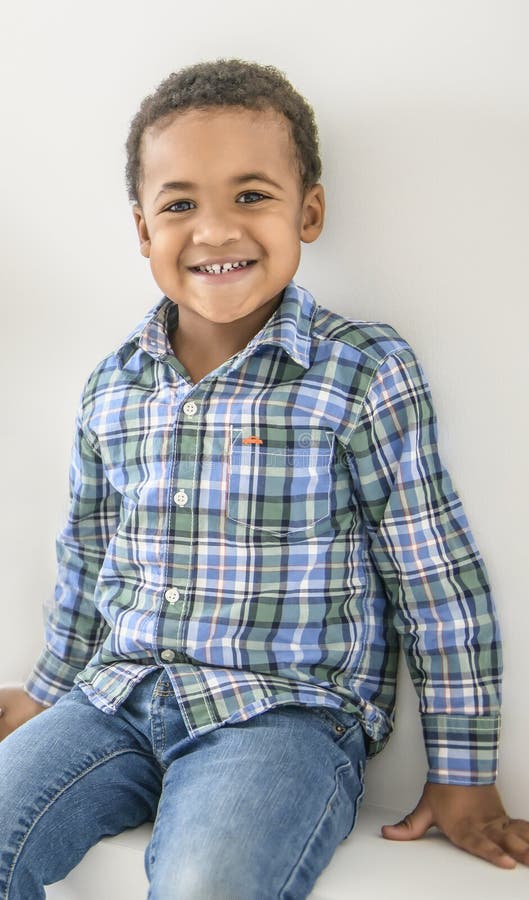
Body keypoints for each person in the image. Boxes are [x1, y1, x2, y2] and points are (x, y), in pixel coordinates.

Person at [0, 58, 527, 900]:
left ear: (307, 211)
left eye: (250, 196)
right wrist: (50, 691)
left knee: (210, 882)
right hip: (114, 698)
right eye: (180, 205)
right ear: (143, 230)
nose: (213, 231)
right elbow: (88, 557)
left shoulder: (359, 372)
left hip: (281, 718)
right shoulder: (113, 385)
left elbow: (434, 578)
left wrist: (462, 771)